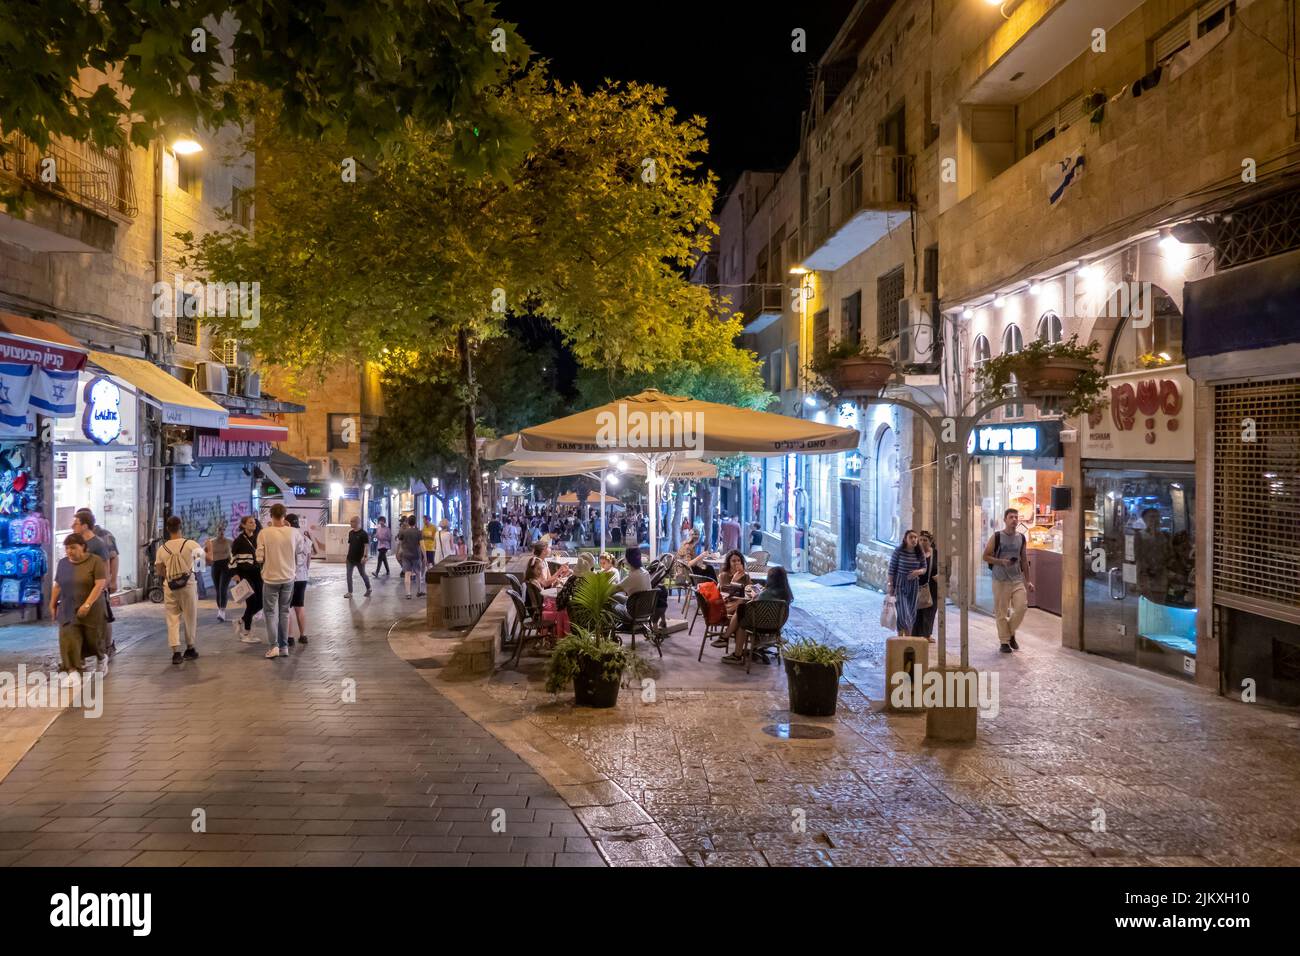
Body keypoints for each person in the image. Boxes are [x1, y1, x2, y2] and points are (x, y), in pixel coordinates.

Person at [50, 533, 107, 687]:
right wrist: (53, 604)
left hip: (92, 609)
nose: (69, 551)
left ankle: (101, 658)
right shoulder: (63, 564)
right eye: (67, 548)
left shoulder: (95, 561)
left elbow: (100, 584)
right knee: (68, 638)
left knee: (92, 640)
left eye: (73, 548)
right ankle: (73, 671)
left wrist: (87, 604)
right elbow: (58, 585)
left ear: (82, 546)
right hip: (67, 608)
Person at [983, 508, 1034, 653]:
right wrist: (1001, 562)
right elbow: (985, 556)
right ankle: (1004, 642)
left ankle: (1010, 632)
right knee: (1001, 612)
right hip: (1000, 579)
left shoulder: (1021, 538)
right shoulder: (997, 537)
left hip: (1017, 579)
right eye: (1011, 517)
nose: (1014, 520)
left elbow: (1024, 560)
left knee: (1021, 607)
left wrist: (1028, 581)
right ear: (1005, 520)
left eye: (1016, 517)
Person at [722, 565, 792, 665]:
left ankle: (736, 653)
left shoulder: (765, 594)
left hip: (759, 624)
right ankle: (732, 641)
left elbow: (756, 606)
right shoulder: (786, 594)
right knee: (742, 616)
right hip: (776, 627)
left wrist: (755, 597)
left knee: (742, 621)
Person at [156, 515, 201, 664]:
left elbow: (159, 570)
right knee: (190, 616)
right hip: (188, 585)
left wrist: (170, 576)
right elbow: (201, 566)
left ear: (168, 529)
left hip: (170, 587)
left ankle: (176, 652)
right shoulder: (191, 544)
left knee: (172, 617)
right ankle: (190, 648)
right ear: (181, 526)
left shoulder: (162, 548)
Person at [72, 509, 113, 673]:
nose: (72, 526)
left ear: (85, 526)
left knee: (93, 631)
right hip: (76, 594)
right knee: (75, 629)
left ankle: (101, 657)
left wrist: (102, 589)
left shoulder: (98, 545)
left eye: (75, 523)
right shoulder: (76, 543)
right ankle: (78, 662)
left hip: (94, 596)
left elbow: (105, 569)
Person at [256, 503, 298, 659]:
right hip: (288, 577)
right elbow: (299, 551)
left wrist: (263, 567)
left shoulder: (264, 533)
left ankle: (274, 646)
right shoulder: (294, 532)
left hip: (270, 578)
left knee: (269, 613)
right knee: (284, 612)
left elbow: (259, 556)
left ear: (270, 515)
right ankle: (284, 647)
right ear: (285, 515)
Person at [887, 530, 928, 638]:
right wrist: (890, 585)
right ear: (905, 539)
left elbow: (924, 568)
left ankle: (907, 639)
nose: (914, 539)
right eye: (911, 537)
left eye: (915, 537)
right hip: (900, 583)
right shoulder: (899, 551)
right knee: (902, 612)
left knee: (911, 612)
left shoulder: (919, 552)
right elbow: (891, 569)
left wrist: (917, 572)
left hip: (914, 585)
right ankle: (902, 637)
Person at [230, 515, 263, 643]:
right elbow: (232, 559)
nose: (253, 524)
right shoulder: (238, 541)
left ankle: (241, 621)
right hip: (245, 574)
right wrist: (235, 574)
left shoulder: (258, 538)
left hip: (258, 574)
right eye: (250, 522)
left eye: (254, 522)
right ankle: (246, 633)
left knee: (261, 602)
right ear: (243, 525)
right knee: (251, 602)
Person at [286, 513, 312, 646]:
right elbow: (308, 560)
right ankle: (303, 635)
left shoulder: (288, 537)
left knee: (288, 608)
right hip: (303, 577)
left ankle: (289, 637)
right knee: (300, 607)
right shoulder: (305, 538)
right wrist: (305, 572)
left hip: (289, 576)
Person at [912, 530, 940, 642]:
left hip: (931, 585)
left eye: (925, 540)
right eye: (921, 540)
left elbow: (943, 567)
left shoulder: (936, 554)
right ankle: (915, 634)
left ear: (930, 541)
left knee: (930, 610)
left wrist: (939, 576)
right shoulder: (915, 553)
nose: (923, 542)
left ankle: (927, 634)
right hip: (917, 585)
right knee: (917, 609)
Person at [205, 520, 233, 622]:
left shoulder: (229, 541)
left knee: (223, 588)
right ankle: (220, 609)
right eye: (219, 530)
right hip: (215, 565)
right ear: (215, 531)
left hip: (226, 566)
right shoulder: (211, 542)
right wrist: (208, 562)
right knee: (217, 589)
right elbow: (204, 553)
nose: (221, 532)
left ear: (225, 531)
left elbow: (236, 552)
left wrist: (234, 564)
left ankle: (222, 610)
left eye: (223, 530)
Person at [396, 516, 426, 599]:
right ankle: (419, 591)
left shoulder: (403, 532)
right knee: (418, 573)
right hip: (416, 555)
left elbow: (400, 543)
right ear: (415, 522)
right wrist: (425, 556)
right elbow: (422, 546)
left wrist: (398, 552)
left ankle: (408, 593)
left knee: (407, 574)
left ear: (408, 522)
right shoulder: (419, 532)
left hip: (406, 555)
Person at [345, 516, 372, 598]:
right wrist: (347, 556)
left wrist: (365, 556)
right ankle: (350, 592)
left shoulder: (363, 534)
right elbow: (350, 545)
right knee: (348, 575)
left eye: (352, 521)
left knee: (363, 574)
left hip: (360, 559)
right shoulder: (350, 533)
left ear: (357, 522)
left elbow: (366, 546)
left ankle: (369, 588)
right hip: (350, 559)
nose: (350, 523)